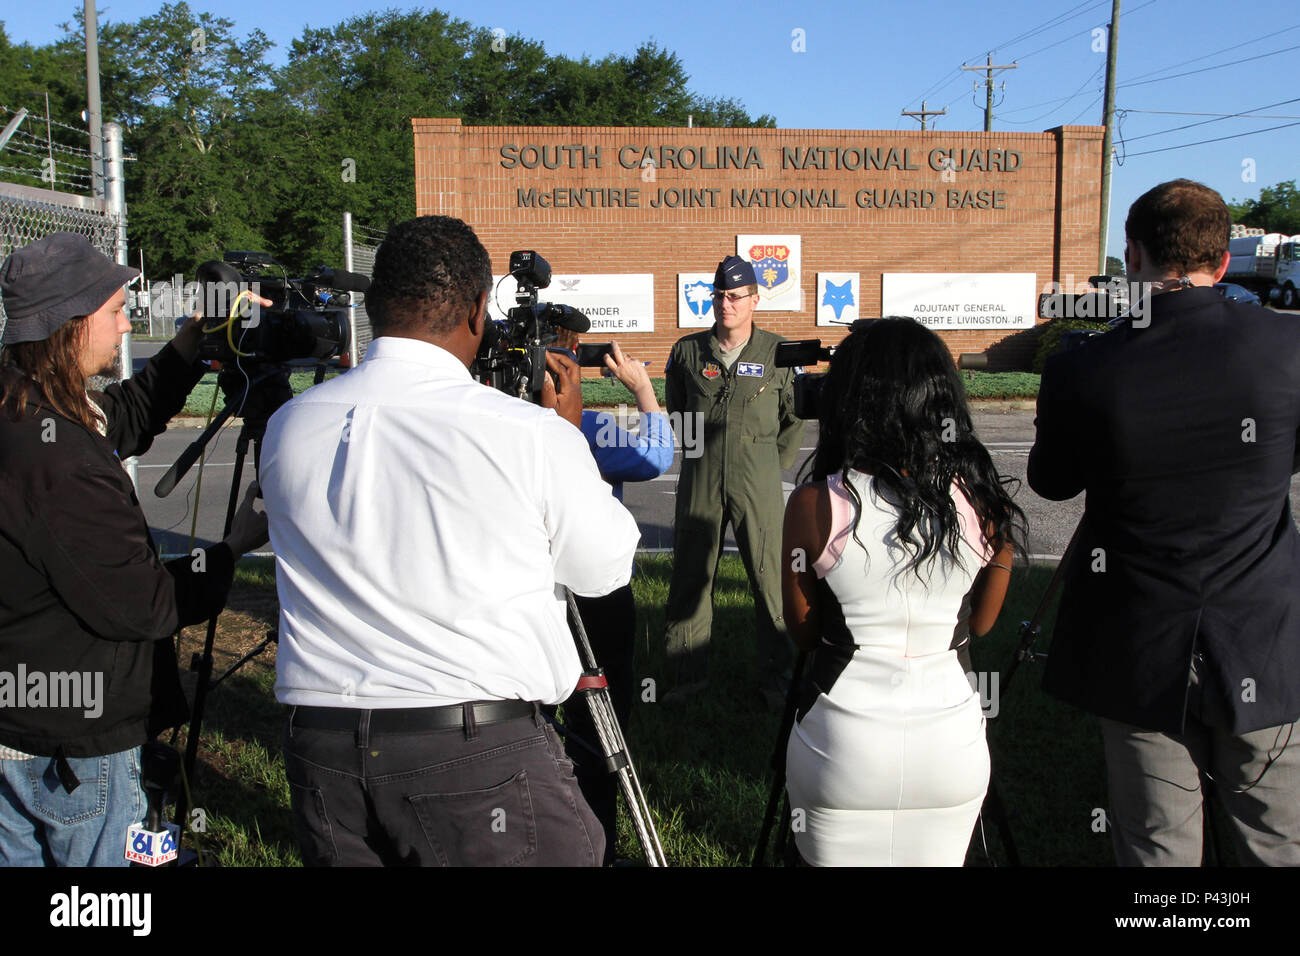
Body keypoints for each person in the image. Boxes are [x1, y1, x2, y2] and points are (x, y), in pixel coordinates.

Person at [261, 215, 641, 867]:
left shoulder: (290, 425)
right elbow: (603, 568)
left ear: (377, 307)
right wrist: (568, 437)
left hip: (322, 751)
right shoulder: (528, 434)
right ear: (475, 312)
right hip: (471, 755)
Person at [1029, 179, 1300, 866]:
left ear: (1135, 254)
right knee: (1274, 841)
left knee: (1158, 849)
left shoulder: (1085, 367)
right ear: (1225, 261)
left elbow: (1051, 482)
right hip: (1264, 637)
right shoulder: (1287, 346)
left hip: (1139, 643)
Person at [0, 232, 268, 867]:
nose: (125, 326)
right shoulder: (60, 461)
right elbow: (145, 605)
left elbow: (119, 416)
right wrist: (230, 547)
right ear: (70, 325)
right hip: (71, 746)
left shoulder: (26, 401)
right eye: (115, 311)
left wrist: (187, 346)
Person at [781, 318, 1024, 866]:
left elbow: (803, 632)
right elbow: (981, 625)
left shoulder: (815, 504)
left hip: (840, 744)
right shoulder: (987, 504)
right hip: (952, 745)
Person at [551, 330, 672, 862]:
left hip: (521, 594)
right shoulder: (589, 428)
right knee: (598, 725)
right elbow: (655, 456)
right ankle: (599, 845)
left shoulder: (494, 427)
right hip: (591, 594)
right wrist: (644, 390)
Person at [663, 255, 803, 702]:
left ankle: (778, 681)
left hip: (756, 477)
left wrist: (769, 460)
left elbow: (794, 416)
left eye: (736, 296)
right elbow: (677, 408)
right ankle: (686, 678)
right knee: (691, 574)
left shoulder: (779, 352)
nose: (727, 304)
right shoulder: (688, 351)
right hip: (701, 474)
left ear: (755, 300)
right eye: (720, 295)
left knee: (771, 578)